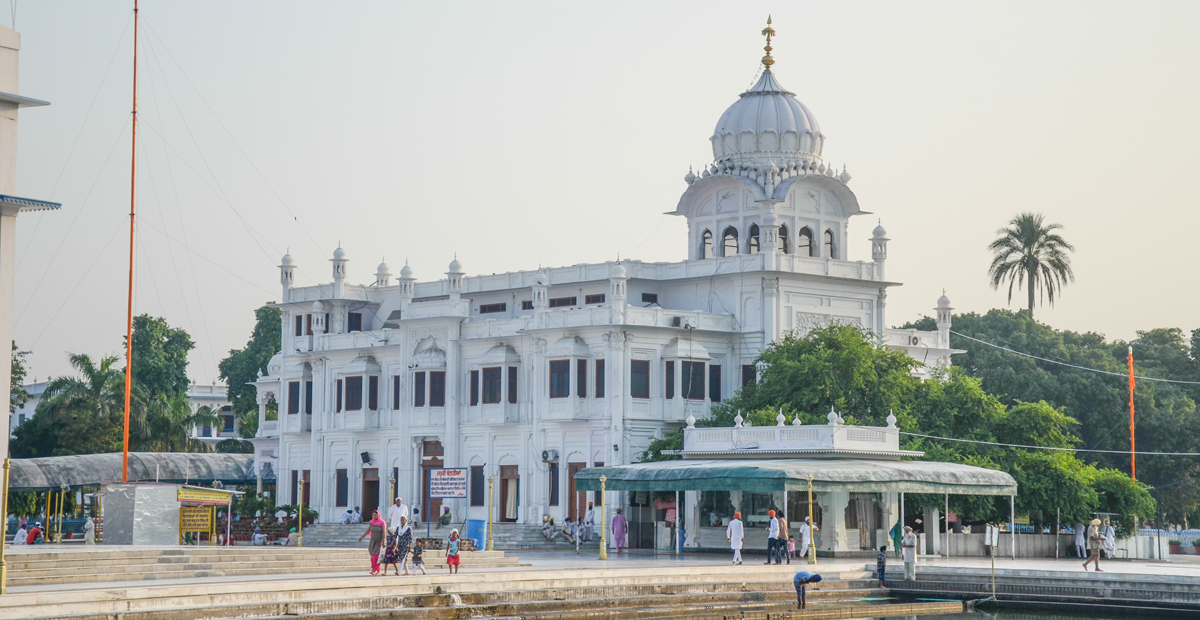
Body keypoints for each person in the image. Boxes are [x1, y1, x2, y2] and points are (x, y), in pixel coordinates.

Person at [359, 510, 387, 576]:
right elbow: (367, 530)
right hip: (372, 541)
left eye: (375, 515)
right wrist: (362, 537)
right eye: (373, 515)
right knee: (373, 556)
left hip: (379, 541)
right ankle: (377, 570)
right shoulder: (371, 522)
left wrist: (383, 541)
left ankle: (374, 570)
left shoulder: (382, 523)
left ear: (378, 515)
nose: (374, 516)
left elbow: (384, 533)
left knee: (375, 556)